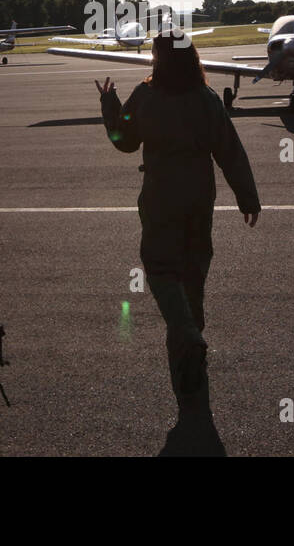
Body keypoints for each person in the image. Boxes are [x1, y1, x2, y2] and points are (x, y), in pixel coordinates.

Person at [95, 30, 260, 451]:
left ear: (159, 59)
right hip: (199, 196)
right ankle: (190, 371)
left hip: (161, 195)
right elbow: (230, 150)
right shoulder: (206, 99)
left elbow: (124, 142)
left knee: (159, 269)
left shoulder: (146, 96)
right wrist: (247, 196)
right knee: (193, 273)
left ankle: (188, 336)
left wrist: (109, 105)